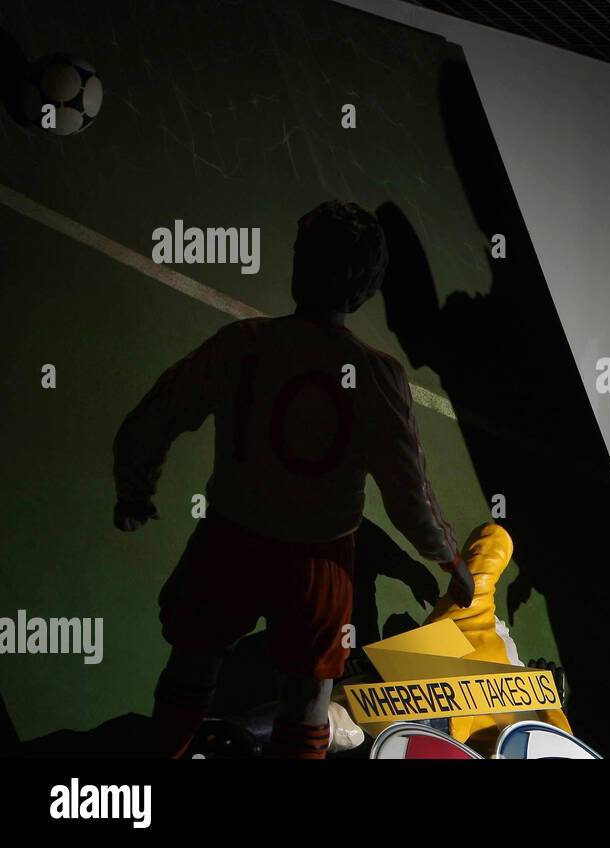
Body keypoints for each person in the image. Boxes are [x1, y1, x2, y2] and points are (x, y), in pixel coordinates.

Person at [112, 200, 473, 759]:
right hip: (319, 566)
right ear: (365, 291)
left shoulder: (243, 344)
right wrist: (450, 560)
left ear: (298, 265)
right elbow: (408, 496)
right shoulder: (378, 375)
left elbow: (153, 418)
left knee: (192, 667)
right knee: (307, 701)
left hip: (229, 541)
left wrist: (135, 488)